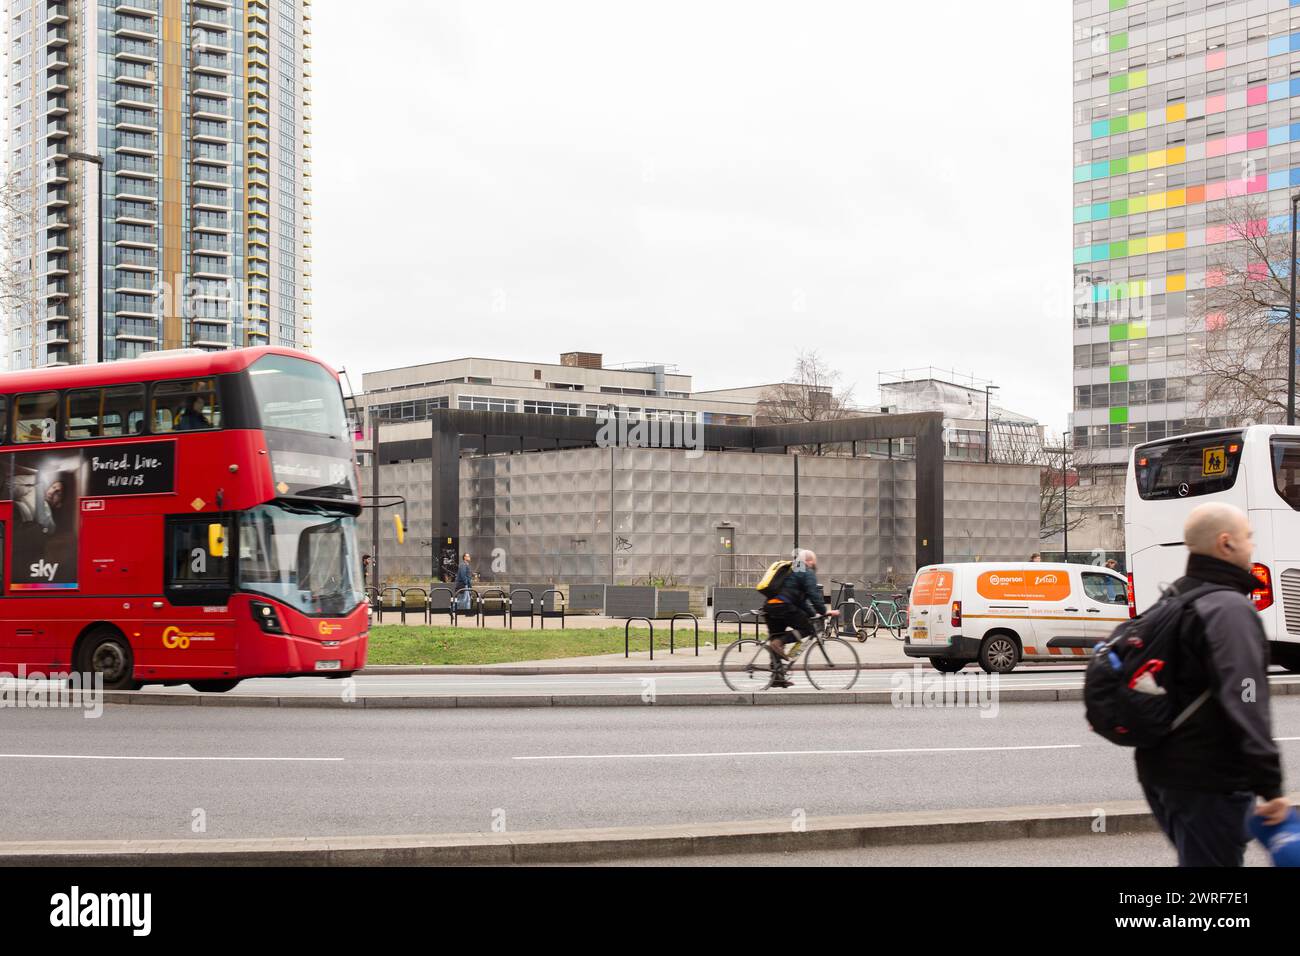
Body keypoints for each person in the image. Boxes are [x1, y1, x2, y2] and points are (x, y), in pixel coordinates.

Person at [1137, 502, 1288, 867]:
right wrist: (1270, 786)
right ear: (1226, 543)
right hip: (1208, 778)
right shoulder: (1229, 608)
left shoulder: (1175, 596)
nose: (1252, 546)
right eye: (1247, 538)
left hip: (1161, 771)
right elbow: (1246, 699)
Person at [763, 549, 838, 689]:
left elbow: (800, 601)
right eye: (814, 561)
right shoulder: (806, 571)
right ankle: (778, 644)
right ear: (809, 561)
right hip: (783, 606)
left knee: (777, 637)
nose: (815, 564)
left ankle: (777, 677)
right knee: (807, 629)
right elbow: (813, 594)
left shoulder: (793, 571)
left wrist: (812, 614)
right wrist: (824, 611)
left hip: (771, 607)